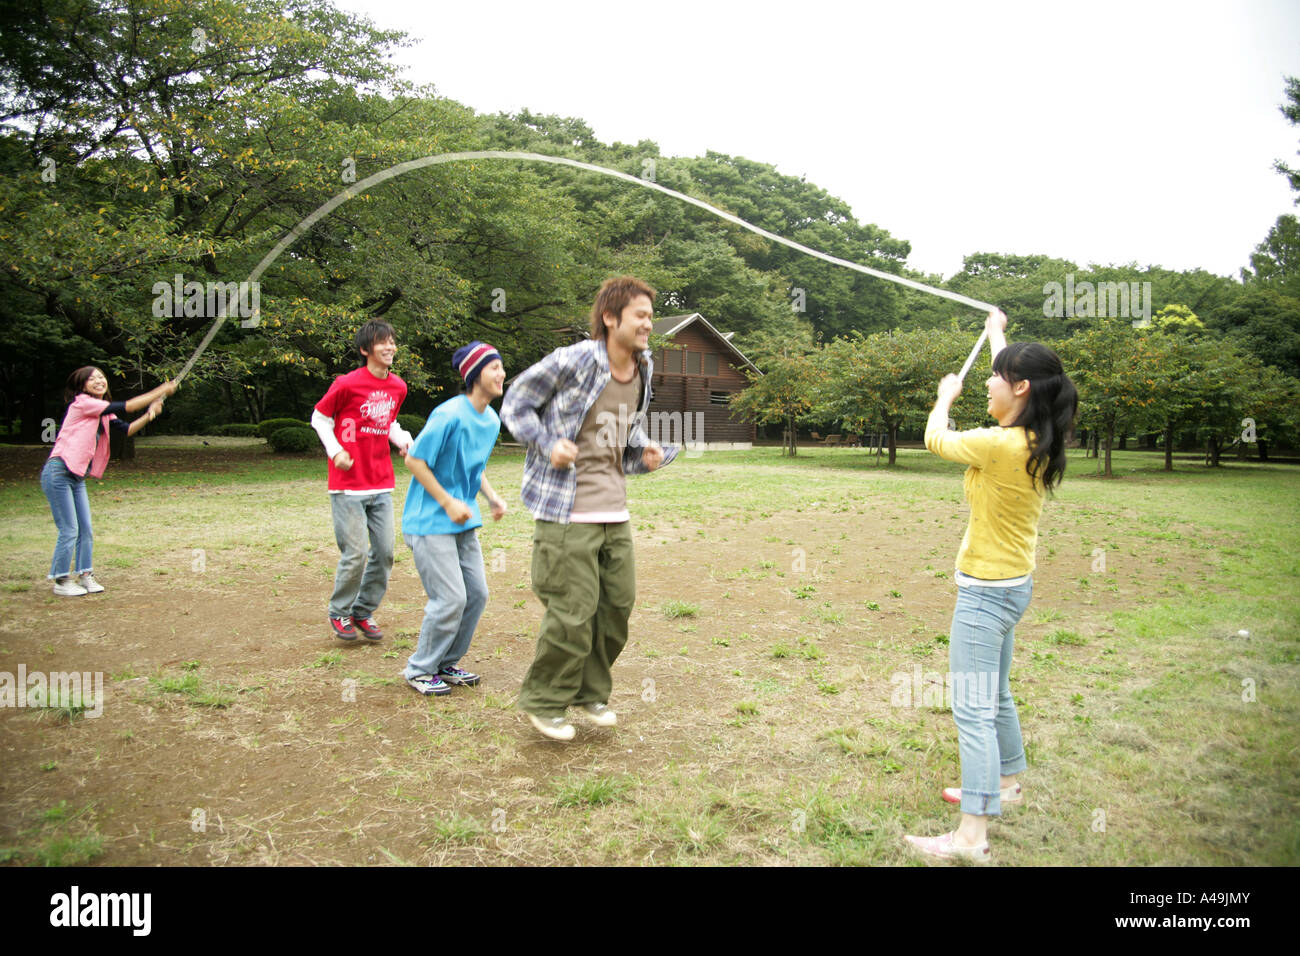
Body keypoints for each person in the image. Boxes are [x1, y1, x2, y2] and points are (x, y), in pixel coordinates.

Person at [904, 309, 1078, 864]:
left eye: (995, 376)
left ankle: (971, 836)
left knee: (973, 706)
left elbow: (934, 438)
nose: (986, 380)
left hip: (986, 591)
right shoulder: (1032, 436)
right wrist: (995, 329)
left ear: (1020, 388)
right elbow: (1012, 369)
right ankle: (1007, 784)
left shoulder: (998, 444)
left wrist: (944, 396)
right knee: (995, 692)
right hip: (1013, 586)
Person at [501, 276, 677, 742]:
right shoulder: (575, 359)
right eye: (640, 315)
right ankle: (545, 700)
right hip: (566, 509)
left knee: (617, 605)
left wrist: (644, 450)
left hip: (613, 509)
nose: (648, 324)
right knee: (573, 610)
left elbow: (622, 425)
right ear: (610, 317)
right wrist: (546, 443)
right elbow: (516, 403)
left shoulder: (644, 367)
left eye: (649, 316)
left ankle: (590, 692)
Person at [401, 342, 509, 697]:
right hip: (429, 521)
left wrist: (492, 497)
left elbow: (471, 467)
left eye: (502, 368)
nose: (502, 374)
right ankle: (420, 669)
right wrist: (447, 502)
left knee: (476, 594)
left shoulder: (491, 421)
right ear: (475, 374)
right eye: (494, 367)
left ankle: (445, 663)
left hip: (464, 521)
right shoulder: (448, 415)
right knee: (450, 598)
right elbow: (415, 461)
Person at [310, 320, 414, 642]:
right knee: (356, 553)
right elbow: (319, 417)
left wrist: (403, 440)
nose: (390, 347)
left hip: (380, 483)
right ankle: (339, 612)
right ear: (365, 349)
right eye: (382, 342)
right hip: (347, 485)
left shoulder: (398, 386)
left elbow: (387, 421)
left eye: (392, 341)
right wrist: (336, 450)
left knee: (383, 553)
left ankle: (362, 611)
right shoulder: (346, 384)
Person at [41, 367, 176, 596]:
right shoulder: (82, 403)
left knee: (86, 529)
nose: (98, 380)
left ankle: (85, 575)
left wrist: (151, 413)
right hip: (59, 472)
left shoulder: (102, 412)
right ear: (82, 386)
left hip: (76, 476)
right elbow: (130, 406)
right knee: (69, 529)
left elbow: (127, 429)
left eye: (101, 377)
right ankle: (61, 580)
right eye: (91, 378)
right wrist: (162, 389)